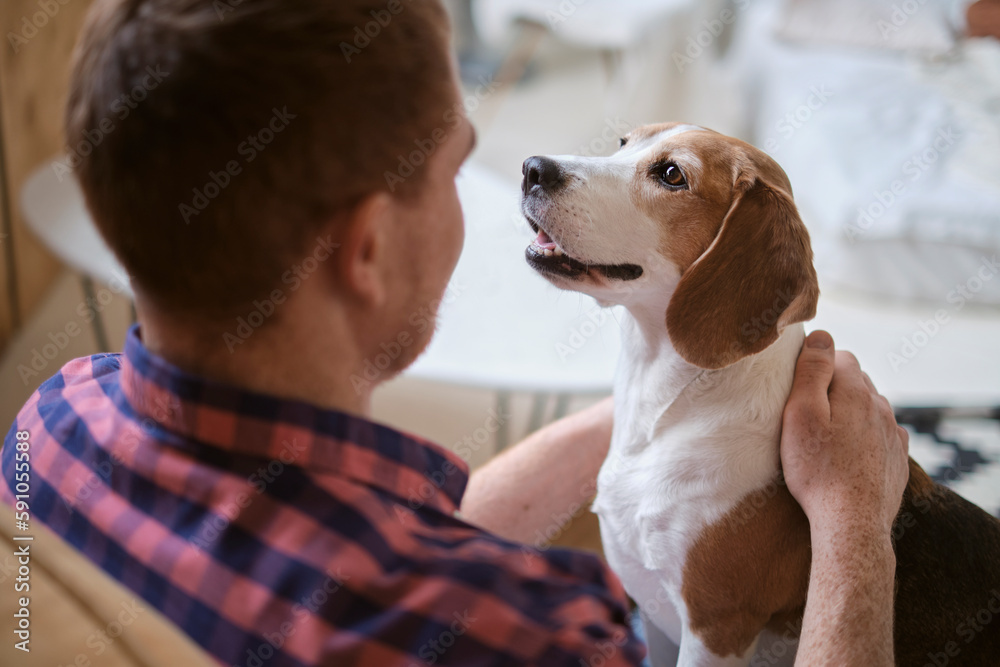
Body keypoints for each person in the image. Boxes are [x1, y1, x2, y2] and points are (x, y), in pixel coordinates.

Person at [1, 0, 909, 665]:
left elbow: (385, 531)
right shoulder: (530, 631)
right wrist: (852, 525)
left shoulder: (50, 424)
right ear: (367, 249)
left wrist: (655, 407)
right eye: (453, 171)